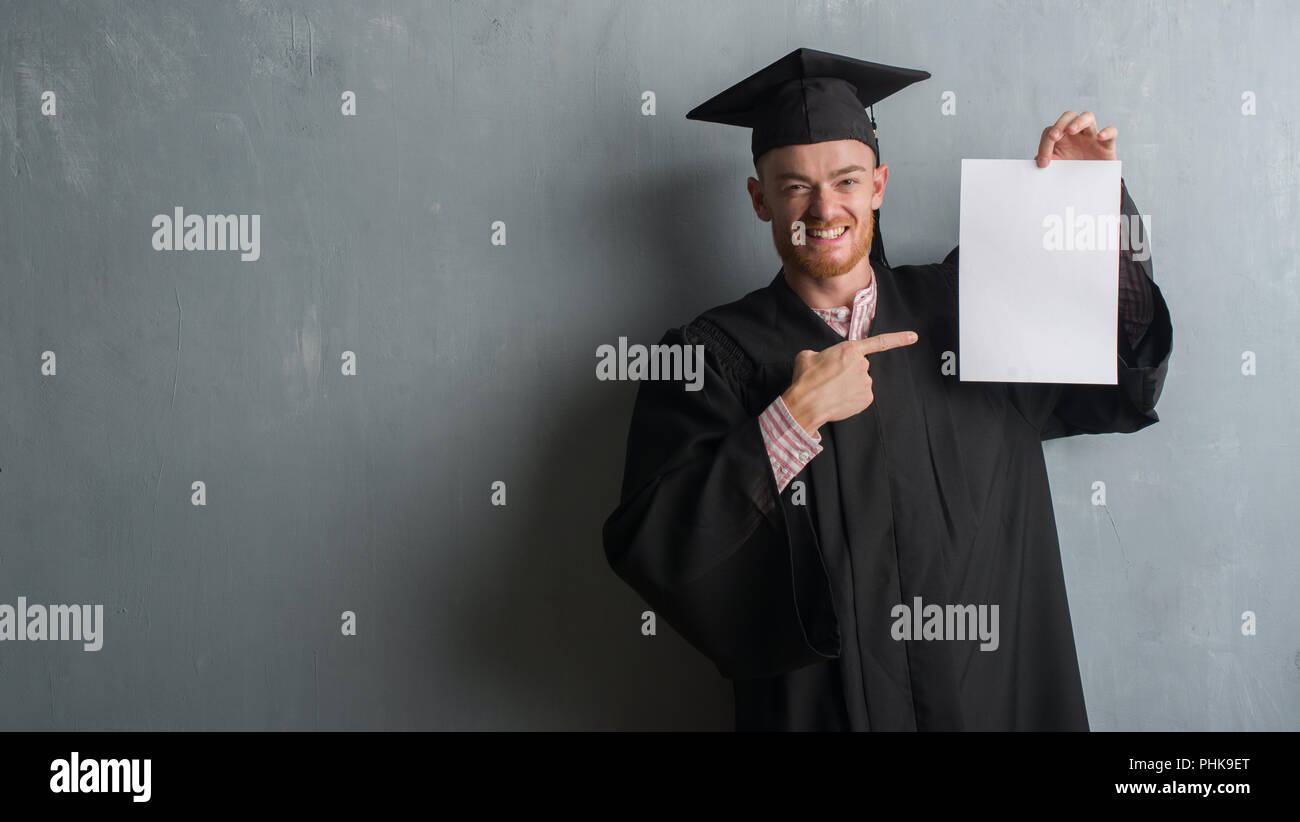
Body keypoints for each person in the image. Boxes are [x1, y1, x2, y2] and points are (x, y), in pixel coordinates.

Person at [602, 48, 1172, 731]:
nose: (824, 208)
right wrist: (788, 420)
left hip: (993, 699)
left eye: (846, 181)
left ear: (878, 185)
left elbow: (1119, 370)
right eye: (794, 187)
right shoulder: (713, 357)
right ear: (759, 199)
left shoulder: (972, 305)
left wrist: (1094, 211)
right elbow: (658, 550)